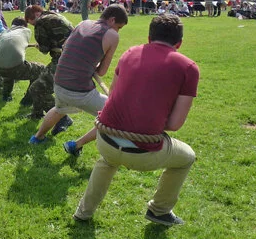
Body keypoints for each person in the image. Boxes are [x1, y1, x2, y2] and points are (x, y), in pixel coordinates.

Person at [72, 14, 199, 226]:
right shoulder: (188, 67)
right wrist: (147, 119)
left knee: (108, 160)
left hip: (105, 140)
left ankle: (83, 212)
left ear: (149, 37)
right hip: (143, 151)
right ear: (179, 43)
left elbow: (113, 95)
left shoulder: (130, 53)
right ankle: (159, 211)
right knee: (187, 157)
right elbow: (175, 124)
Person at [30, 5, 128, 144]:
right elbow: (101, 72)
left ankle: (37, 137)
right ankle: (75, 145)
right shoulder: (112, 35)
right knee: (116, 115)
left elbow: (65, 47)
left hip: (59, 83)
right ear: (112, 20)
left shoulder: (83, 23)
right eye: (119, 27)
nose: (118, 31)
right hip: (80, 91)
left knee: (59, 110)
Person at [23, 5, 73, 118]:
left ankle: (62, 118)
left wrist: (40, 46)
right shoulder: (54, 15)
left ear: (35, 15)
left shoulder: (41, 22)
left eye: (32, 23)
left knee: (36, 89)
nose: (33, 25)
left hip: (64, 60)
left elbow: (44, 49)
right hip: (72, 57)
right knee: (41, 78)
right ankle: (37, 114)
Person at [0, 17, 45, 102]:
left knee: (8, 62)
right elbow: (21, 43)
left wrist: (31, 45)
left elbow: (12, 43)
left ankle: (6, 95)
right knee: (41, 69)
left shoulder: (4, 33)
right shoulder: (26, 31)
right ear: (25, 25)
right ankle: (28, 99)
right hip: (14, 67)